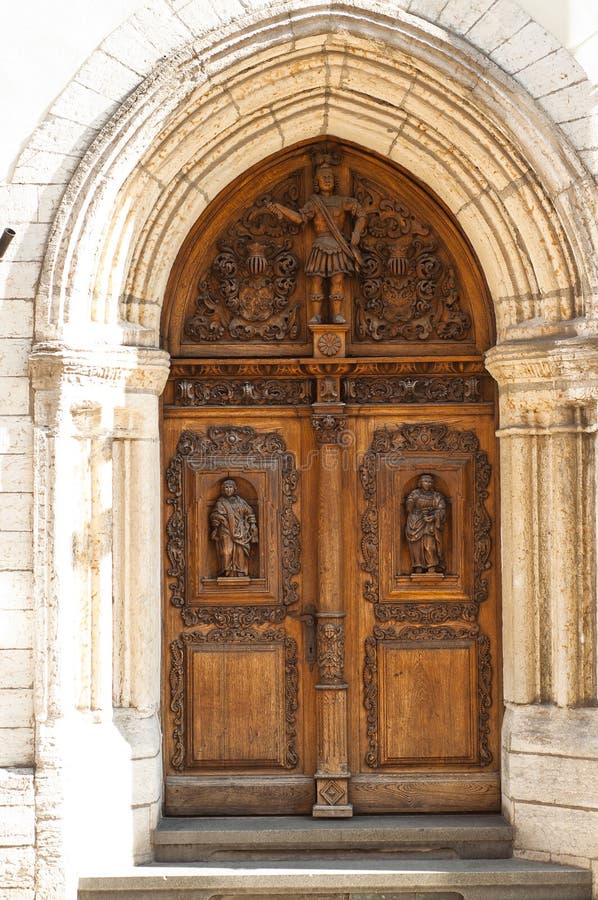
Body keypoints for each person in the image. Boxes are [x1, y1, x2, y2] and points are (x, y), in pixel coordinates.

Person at [266, 161, 366, 325]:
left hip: (337, 244)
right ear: (317, 183)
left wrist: (356, 232)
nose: (327, 180)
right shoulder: (314, 203)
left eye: (329, 177)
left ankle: (337, 315)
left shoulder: (342, 201)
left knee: (337, 280)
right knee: (316, 280)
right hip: (320, 244)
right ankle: (316, 316)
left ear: (335, 181)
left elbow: (361, 214)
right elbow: (300, 218)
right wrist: (280, 208)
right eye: (323, 177)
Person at [209, 478, 258, 577]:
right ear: (223, 489)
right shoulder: (220, 502)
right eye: (226, 487)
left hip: (240, 531)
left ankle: (240, 572)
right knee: (226, 552)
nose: (228, 489)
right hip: (225, 530)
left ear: (234, 489)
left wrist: (252, 524)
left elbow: (250, 512)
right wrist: (216, 525)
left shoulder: (240, 501)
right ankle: (227, 572)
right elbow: (214, 515)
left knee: (240, 552)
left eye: (230, 487)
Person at [405, 473, 447, 573]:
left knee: (430, 545)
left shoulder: (436, 496)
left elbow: (442, 509)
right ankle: (418, 566)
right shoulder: (415, 494)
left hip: (430, 523)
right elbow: (409, 508)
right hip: (416, 522)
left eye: (429, 482)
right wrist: (410, 502)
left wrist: (434, 516)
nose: (428, 483)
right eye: (425, 481)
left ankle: (432, 566)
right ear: (421, 483)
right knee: (416, 546)